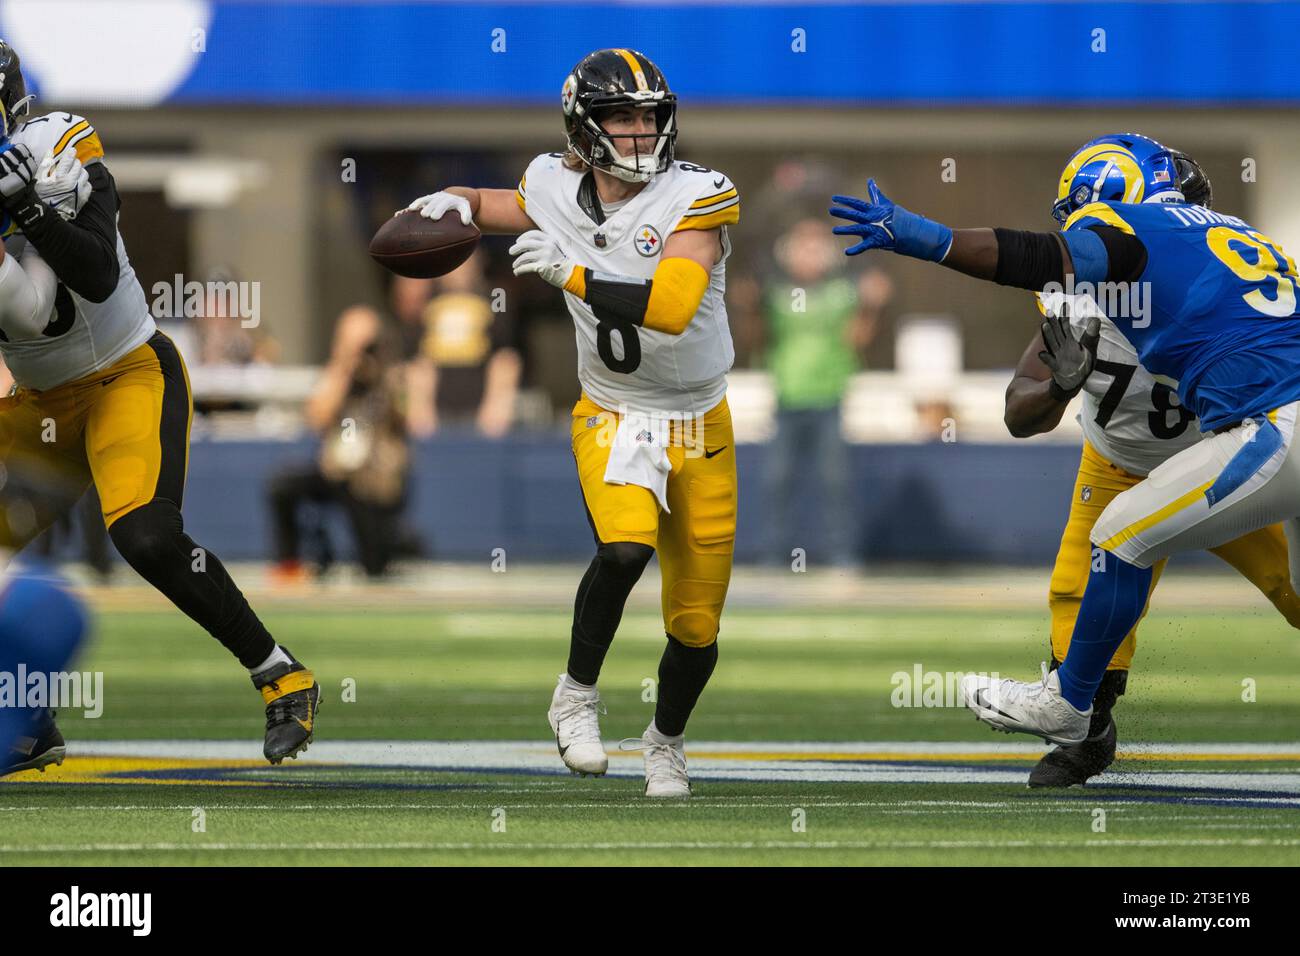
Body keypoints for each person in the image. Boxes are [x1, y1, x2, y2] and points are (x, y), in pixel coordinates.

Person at [831, 133, 1300, 745]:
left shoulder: (1138, 233)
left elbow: (1031, 255)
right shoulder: (1235, 239)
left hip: (1261, 435)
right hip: (1177, 449)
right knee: (1111, 546)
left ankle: (1066, 706)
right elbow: (1022, 405)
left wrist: (925, 237)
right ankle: (1081, 713)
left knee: (1123, 535)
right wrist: (1060, 386)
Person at [403, 48, 740, 796]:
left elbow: (674, 310)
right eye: (622, 117)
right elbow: (490, 205)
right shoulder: (553, 183)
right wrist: (453, 200)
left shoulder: (700, 196)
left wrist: (573, 275)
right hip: (616, 412)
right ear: (584, 129)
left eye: (649, 116)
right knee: (624, 549)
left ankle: (667, 741)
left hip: (699, 420)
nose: (640, 131)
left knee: (696, 624)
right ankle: (576, 696)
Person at [0, 40, 318, 765]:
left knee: (145, 534)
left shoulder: (55, 147)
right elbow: (18, 316)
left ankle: (281, 675)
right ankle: (23, 716)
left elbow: (99, 271)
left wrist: (29, 210)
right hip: (39, 396)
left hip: (126, 372)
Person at [757, 216, 888, 566]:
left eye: (816, 247)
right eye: (803, 246)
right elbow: (757, 333)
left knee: (835, 482)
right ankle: (774, 553)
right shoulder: (774, 291)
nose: (809, 254)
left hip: (829, 397)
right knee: (777, 480)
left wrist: (871, 306)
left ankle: (841, 554)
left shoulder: (842, 292)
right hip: (787, 397)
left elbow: (857, 339)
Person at [268, 304, 409, 579]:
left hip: (373, 479)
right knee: (282, 484)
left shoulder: (392, 375)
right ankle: (290, 565)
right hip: (336, 472)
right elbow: (317, 416)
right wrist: (344, 364)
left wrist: (380, 369)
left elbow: (405, 416)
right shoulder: (338, 374)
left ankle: (376, 556)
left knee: (374, 567)